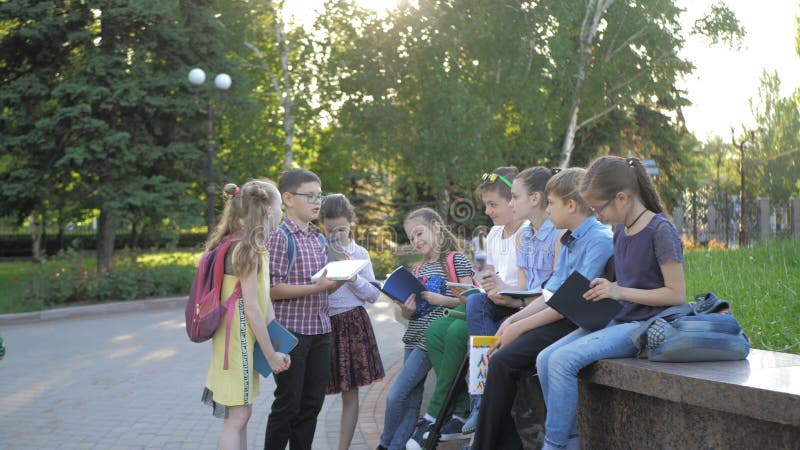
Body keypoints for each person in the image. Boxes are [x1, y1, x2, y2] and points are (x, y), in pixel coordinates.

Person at [536, 157, 685, 450]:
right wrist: (603, 291)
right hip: (619, 317)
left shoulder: (660, 230)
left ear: (622, 198)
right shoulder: (620, 230)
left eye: (600, 208)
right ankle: (569, 443)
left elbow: (676, 295)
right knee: (544, 359)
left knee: (563, 361)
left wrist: (618, 292)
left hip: (647, 324)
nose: (599, 217)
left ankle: (553, 445)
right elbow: (623, 287)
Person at [471, 168, 614, 450]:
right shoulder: (570, 237)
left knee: (502, 362)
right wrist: (513, 322)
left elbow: (567, 305)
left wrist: (520, 326)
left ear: (571, 206)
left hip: (575, 322)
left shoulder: (598, 239)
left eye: (551, 203)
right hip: (561, 316)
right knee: (500, 358)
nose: (548, 210)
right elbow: (551, 293)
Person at [201, 180, 291, 450]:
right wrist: (272, 354)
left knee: (239, 415)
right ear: (267, 211)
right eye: (280, 208)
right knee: (237, 417)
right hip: (237, 341)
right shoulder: (248, 249)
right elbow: (252, 307)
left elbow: (263, 302)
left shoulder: (239, 244)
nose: (282, 214)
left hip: (234, 341)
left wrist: (276, 342)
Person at [378, 207, 474, 450]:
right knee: (411, 399)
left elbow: (472, 300)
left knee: (396, 394)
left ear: (437, 228)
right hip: (413, 337)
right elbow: (410, 313)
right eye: (411, 238)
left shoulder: (456, 260)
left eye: (419, 234)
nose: (416, 241)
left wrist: (442, 300)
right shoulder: (418, 269)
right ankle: (399, 446)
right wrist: (406, 309)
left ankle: (385, 444)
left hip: (432, 341)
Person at [264, 169, 346, 450]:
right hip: (291, 334)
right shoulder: (278, 236)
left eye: (319, 195)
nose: (317, 201)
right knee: (288, 405)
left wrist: (340, 280)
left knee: (311, 405)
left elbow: (323, 286)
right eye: (309, 195)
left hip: (321, 330)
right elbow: (271, 289)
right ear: (287, 198)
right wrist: (315, 287)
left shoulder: (319, 237)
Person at [319, 194, 385, 450]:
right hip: (323, 326)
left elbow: (373, 295)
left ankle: (342, 448)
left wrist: (352, 276)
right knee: (315, 391)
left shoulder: (359, 253)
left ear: (352, 224)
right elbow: (312, 293)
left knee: (350, 392)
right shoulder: (317, 251)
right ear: (321, 226)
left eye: (342, 230)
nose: (337, 236)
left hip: (353, 326)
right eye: (330, 231)